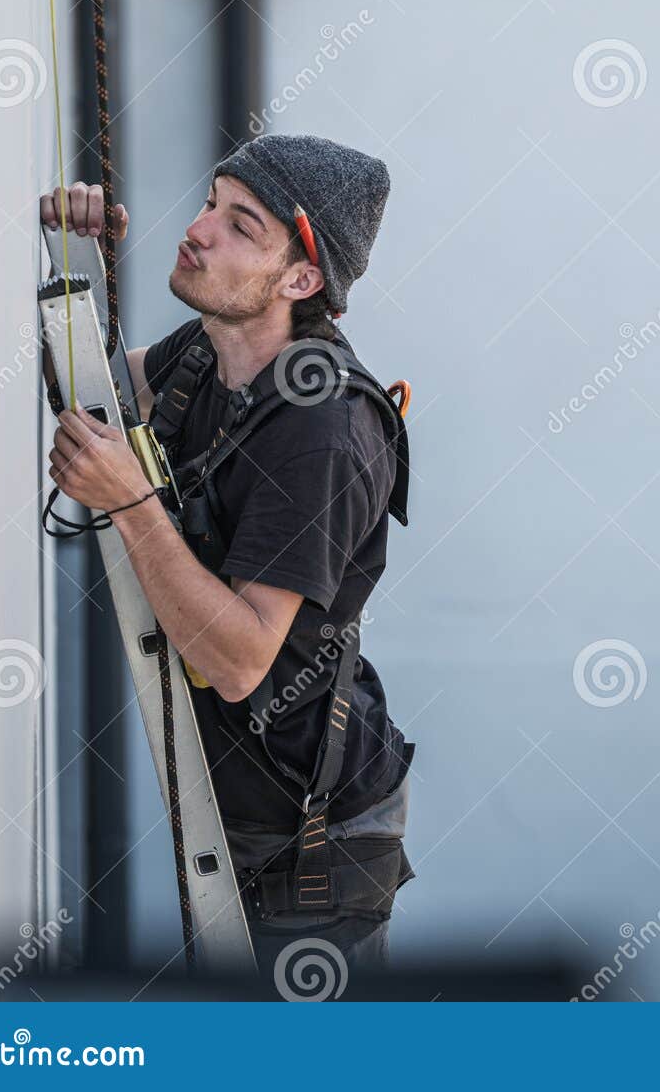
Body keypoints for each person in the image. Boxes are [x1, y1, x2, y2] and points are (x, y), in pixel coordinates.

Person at [40, 133, 416, 983]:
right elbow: (86, 391)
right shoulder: (211, 351)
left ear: (301, 279)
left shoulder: (321, 427)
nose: (200, 229)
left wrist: (132, 501)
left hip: (313, 839)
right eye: (212, 202)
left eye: (241, 225)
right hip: (243, 806)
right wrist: (70, 259)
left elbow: (242, 660)